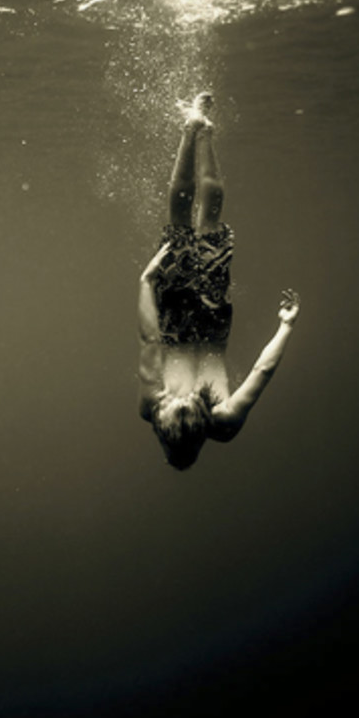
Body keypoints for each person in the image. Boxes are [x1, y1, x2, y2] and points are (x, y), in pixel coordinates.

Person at [138, 94, 299, 470]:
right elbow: (147, 340)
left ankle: (203, 130)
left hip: (210, 323)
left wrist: (286, 325)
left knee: (208, 216)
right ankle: (193, 127)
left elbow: (263, 370)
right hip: (176, 322)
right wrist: (146, 283)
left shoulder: (224, 421)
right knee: (180, 214)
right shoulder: (152, 407)